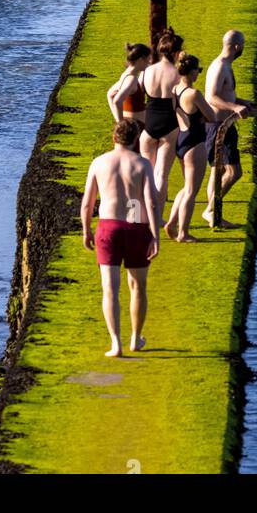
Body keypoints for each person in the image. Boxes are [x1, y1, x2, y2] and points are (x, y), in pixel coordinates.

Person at [80, 119, 159, 357]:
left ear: (114, 137)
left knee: (110, 289)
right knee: (137, 286)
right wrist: (155, 235)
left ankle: (116, 343)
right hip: (136, 226)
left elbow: (87, 203)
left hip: (108, 227)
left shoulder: (99, 163)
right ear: (135, 139)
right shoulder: (142, 164)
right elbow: (151, 201)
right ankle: (135, 338)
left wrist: (86, 230)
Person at [164, 54, 220, 242]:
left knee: (186, 187)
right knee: (191, 191)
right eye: (198, 71)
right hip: (195, 142)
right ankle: (183, 233)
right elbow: (212, 116)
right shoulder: (193, 94)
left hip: (181, 139)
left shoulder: (174, 90)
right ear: (192, 71)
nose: (199, 74)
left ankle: (171, 223)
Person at [202, 29, 254, 229]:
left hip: (224, 125)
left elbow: (226, 94)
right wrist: (234, 107)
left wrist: (241, 102)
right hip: (218, 127)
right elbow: (211, 97)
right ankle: (210, 210)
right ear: (236, 46)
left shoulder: (226, 66)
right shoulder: (219, 67)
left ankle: (214, 215)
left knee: (218, 171)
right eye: (243, 45)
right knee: (234, 172)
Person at [141, 29, 185, 220]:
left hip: (149, 123)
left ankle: (143, 214)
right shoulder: (177, 74)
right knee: (161, 174)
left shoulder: (147, 71)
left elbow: (140, 92)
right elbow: (182, 100)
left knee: (146, 174)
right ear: (176, 53)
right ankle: (157, 217)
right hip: (170, 123)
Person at [107, 42, 151, 124]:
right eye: (148, 60)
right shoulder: (131, 79)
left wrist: (118, 120)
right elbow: (117, 101)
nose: (148, 64)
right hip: (135, 128)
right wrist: (121, 124)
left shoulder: (125, 75)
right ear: (141, 60)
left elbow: (110, 94)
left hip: (134, 126)